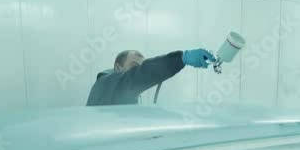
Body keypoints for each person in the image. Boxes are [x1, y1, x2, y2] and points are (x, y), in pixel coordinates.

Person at [86, 48, 215, 106]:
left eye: (140, 67)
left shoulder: (121, 90)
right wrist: (181, 59)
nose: (138, 71)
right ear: (118, 67)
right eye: (134, 66)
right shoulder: (107, 84)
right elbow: (140, 75)